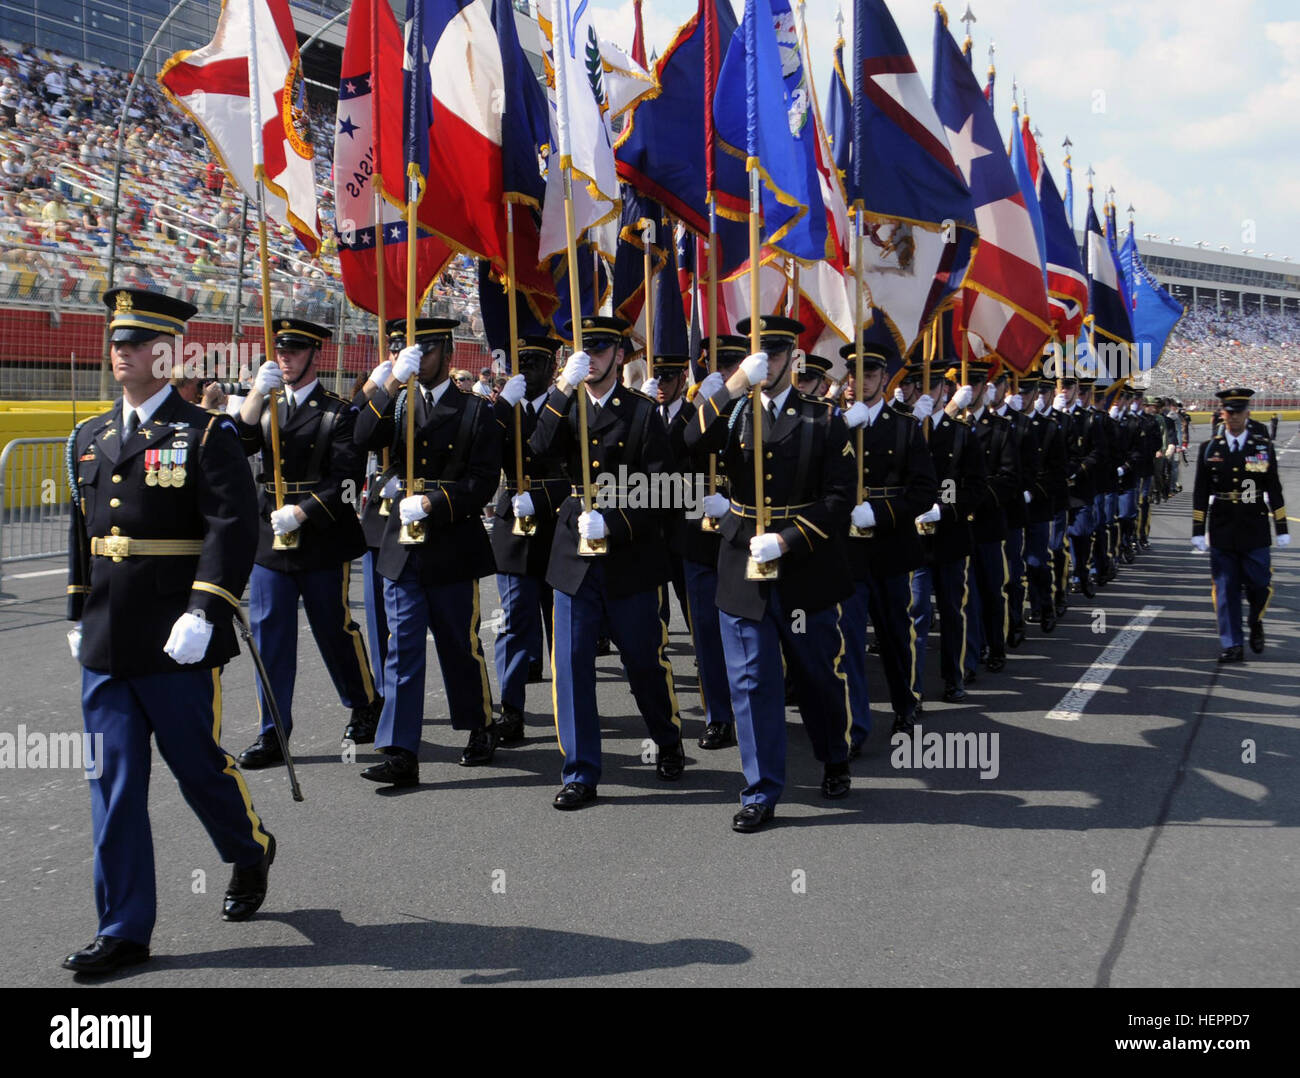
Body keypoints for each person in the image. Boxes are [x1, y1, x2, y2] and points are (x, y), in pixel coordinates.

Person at [63, 288, 272, 976]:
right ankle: (123, 928)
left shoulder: (207, 434)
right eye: (116, 340)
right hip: (107, 640)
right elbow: (81, 528)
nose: (121, 351)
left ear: (170, 352)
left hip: (176, 636)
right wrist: (76, 609)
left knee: (198, 769)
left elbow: (231, 528)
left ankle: (248, 850)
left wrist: (205, 608)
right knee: (114, 784)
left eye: (136, 342)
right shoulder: (89, 436)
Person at [683, 315, 856, 833]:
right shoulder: (733, 412)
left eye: (777, 353)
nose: (768, 362)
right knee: (752, 679)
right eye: (759, 353)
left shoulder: (822, 418)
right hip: (741, 562)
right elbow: (691, 439)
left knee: (815, 672)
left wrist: (788, 538)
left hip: (803, 564)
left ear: (792, 357)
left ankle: (833, 753)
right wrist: (734, 383)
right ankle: (760, 790)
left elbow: (839, 498)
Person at [528, 316, 685, 810]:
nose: (589, 358)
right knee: (572, 666)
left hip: (629, 556)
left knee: (642, 660)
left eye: (598, 350)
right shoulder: (566, 402)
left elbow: (665, 493)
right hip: (574, 554)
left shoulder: (642, 413)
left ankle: (667, 737)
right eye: (582, 350)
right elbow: (537, 452)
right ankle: (580, 771)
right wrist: (560, 387)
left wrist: (615, 523)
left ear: (619, 355)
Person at [353, 319, 501, 785]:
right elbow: (360, 438)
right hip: (402, 540)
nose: (410, 354)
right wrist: (392, 378)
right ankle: (400, 751)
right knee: (403, 646)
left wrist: (435, 503)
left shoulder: (475, 409)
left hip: (451, 539)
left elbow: (482, 482)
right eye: (401, 346)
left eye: (420, 348)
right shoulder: (396, 402)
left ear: (447, 350)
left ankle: (478, 723)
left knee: (459, 643)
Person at [232, 318, 380, 768]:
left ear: (314, 355)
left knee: (333, 629)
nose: (285, 358)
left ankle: (363, 701)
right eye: (280, 351)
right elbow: (237, 443)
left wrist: (303, 510)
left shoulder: (338, 411)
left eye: (295, 351)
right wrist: (257, 394)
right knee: (269, 637)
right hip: (269, 541)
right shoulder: (265, 403)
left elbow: (347, 477)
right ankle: (273, 731)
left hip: (320, 536)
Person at [840, 338, 937, 747]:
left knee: (894, 634)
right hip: (845, 547)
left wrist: (878, 513)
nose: (861, 380)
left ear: (884, 379)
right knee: (847, 640)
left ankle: (904, 703)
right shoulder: (835, 423)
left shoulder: (904, 426)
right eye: (855, 373)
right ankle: (855, 726)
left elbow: (923, 490)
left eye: (871, 373)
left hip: (890, 545)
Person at [490, 337, 568, 743]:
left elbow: (578, 472)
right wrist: (503, 405)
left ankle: (567, 708)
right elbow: (481, 451)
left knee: (562, 623)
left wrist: (541, 497)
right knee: (514, 620)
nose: (530, 371)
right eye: (522, 363)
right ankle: (511, 709)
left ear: (554, 367)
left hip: (558, 523)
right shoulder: (503, 409)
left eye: (538, 362)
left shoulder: (570, 405)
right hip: (513, 526)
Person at [674, 336, 748, 749]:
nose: (723, 371)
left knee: (749, 631)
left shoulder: (754, 407)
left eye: (732, 363)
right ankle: (717, 714)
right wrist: (702, 404)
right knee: (705, 632)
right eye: (716, 364)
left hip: (744, 532)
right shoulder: (695, 406)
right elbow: (678, 446)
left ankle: (754, 705)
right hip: (698, 535)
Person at [1191, 388, 1289, 662]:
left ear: (1248, 414)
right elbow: (1200, 492)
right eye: (1228, 412)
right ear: (1222, 413)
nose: (1233, 417)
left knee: (1260, 583)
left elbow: (1274, 489)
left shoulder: (1261, 447)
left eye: (1238, 412)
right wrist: (1198, 531)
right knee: (1225, 589)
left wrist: (1281, 528)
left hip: (1254, 526)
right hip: (1222, 527)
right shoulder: (1210, 449)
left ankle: (1255, 620)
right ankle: (1232, 644)